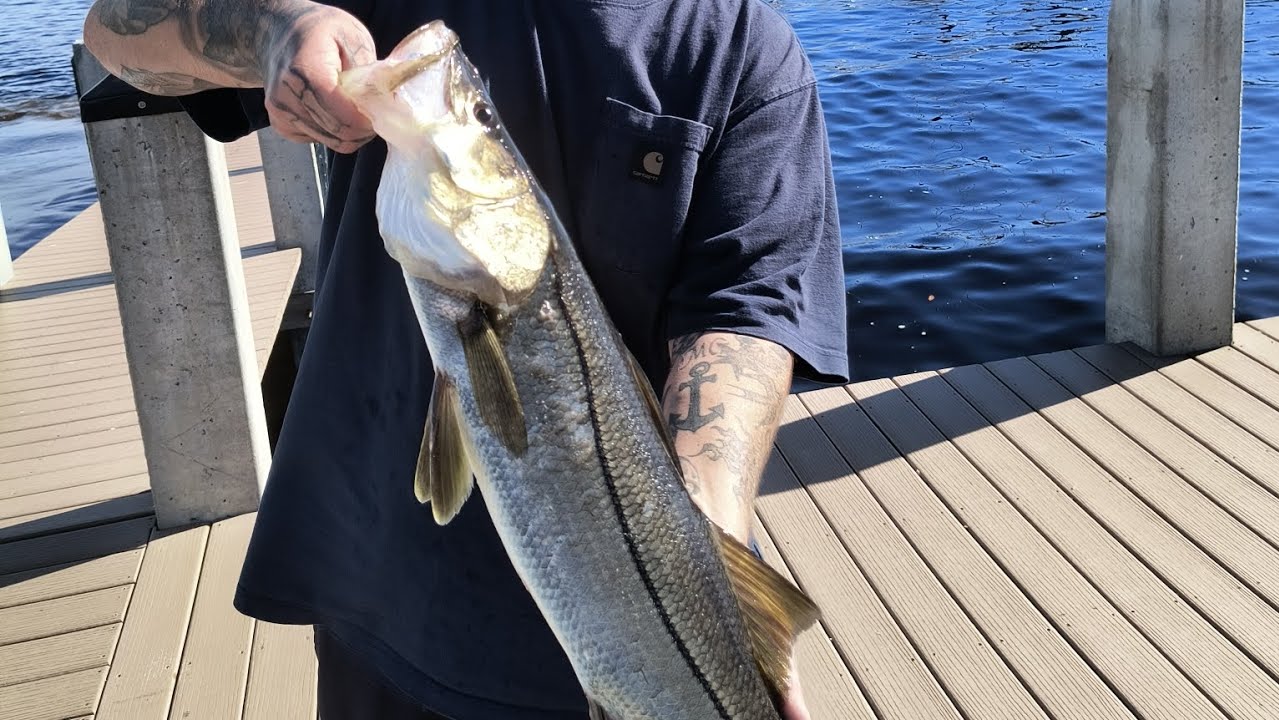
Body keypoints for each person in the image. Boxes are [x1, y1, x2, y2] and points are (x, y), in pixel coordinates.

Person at [83, 1, 850, 718]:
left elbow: (743, 316)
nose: (461, 103)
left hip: (638, 639)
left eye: (478, 115)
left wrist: (703, 570)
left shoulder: (746, 49)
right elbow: (115, 30)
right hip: (384, 603)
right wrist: (278, 29)